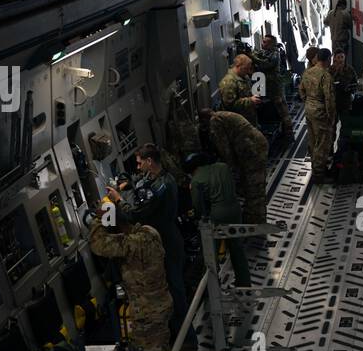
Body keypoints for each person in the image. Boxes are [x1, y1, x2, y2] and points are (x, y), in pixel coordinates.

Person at [106, 143, 187, 336]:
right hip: (168, 235)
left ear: (149, 161)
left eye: (140, 163)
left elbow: (135, 214)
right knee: (172, 285)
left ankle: (185, 333)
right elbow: (139, 182)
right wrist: (126, 182)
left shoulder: (160, 187)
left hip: (165, 241)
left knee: (175, 287)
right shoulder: (162, 177)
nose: (139, 166)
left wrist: (118, 199)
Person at [88, 203, 172, 351]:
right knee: (162, 350)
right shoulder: (149, 232)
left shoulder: (131, 244)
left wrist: (99, 220)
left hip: (147, 313)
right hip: (161, 303)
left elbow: (99, 245)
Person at [185, 149, 251, 288]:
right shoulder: (223, 166)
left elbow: (198, 207)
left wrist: (199, 218)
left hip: (217, 216)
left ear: (194, 168)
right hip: (235, 210)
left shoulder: (197, 180)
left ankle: (213, 288)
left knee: (211, 255)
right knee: (237, 249)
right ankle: (244, 283)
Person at [198, 109, 270, 225]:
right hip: (254, 146)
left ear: (204, 119)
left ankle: (256, 221)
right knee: (252, 185)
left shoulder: (214, 121)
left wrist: (228, 169)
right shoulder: (222, 115)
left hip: (251, 151)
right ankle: (253, 216)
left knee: (254, 187)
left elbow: (224, 149)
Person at [300, 47, 337, 178]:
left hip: (309, 109)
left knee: (313, 139)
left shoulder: (308, 72)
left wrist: (308, 103)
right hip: (320, 111)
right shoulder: (325, 76)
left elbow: (302, 91)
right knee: (323, 142)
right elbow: (329, 98)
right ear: (328, 59)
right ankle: (320, 173)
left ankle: (315, 165)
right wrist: (331, 117)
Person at [252, 34, 292, 141]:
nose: (262, 44)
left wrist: (252, 57)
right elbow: (258, 54)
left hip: (275, 88)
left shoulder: (275, 54)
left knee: (282, 110)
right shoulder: (263, 52)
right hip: (262, 85)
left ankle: (288, 134)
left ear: (271, 44)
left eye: (265, 42)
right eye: (262, 41)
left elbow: (265, 64)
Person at [218, 54, 261, 126]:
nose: (248, 71)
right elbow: (230, 105)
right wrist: (250, 101)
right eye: (246, 68)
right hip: (238, 124)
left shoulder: (244, 77)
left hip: (248, 120)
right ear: (238, 66)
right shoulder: (229, 82)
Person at [330, 49, 358, 120]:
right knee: (332, 125)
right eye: (338, 57)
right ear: (334, 58)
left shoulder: (350, 69)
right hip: (333, 102)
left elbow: (355, 83)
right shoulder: (330, 70)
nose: (341, 60)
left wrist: (352, 92)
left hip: (346, 101)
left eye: (342, 57)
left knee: (346, 123)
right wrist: (336, 72)